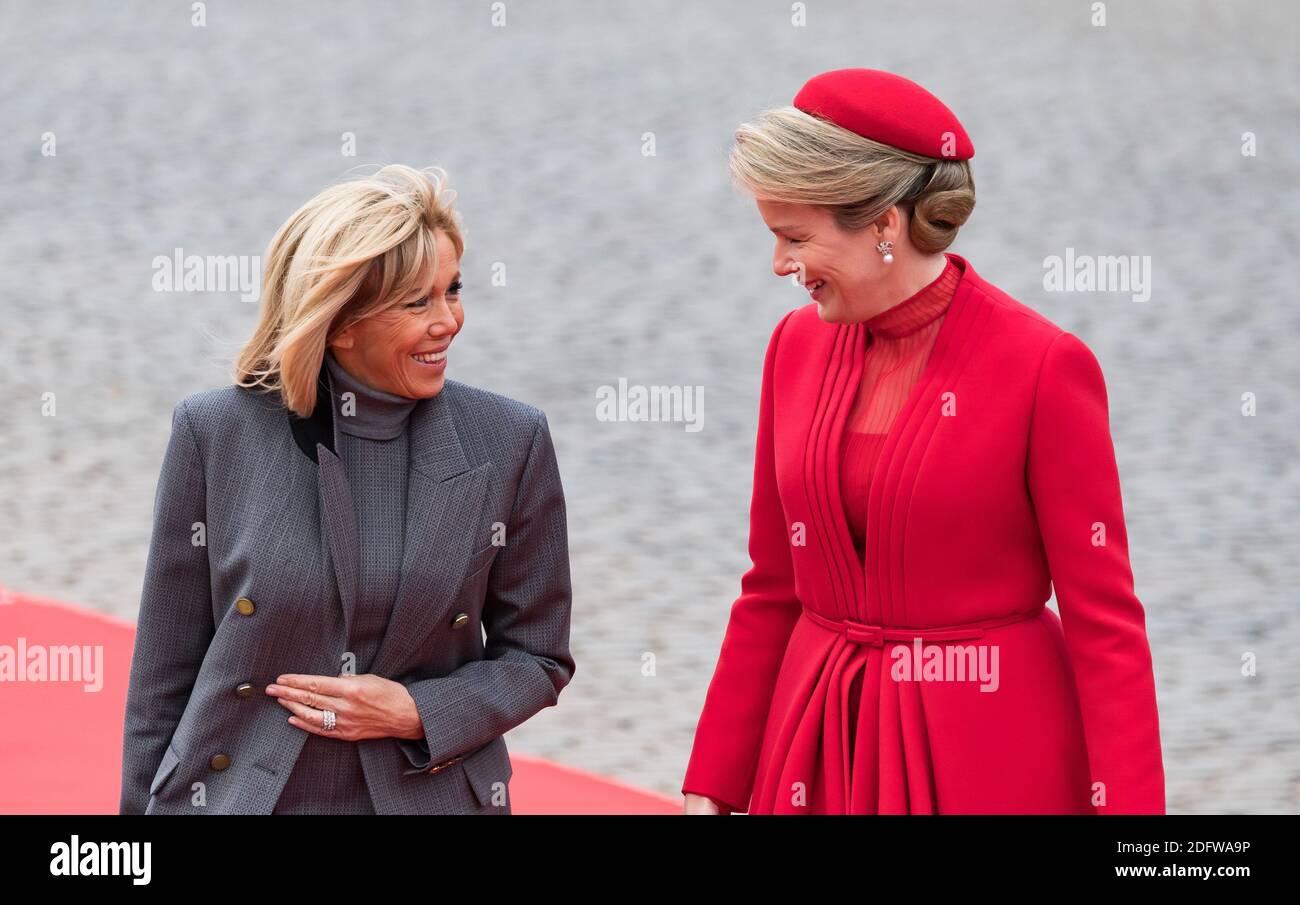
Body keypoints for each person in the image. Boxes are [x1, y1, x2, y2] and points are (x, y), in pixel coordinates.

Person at [682, 69, 1165, 814]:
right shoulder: (793, 348)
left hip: (989, 756)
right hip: (814, 749)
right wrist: (713, 782)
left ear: (883, 226)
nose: (779, 265)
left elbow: (1106, 627)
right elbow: (772, 586)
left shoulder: (1044, 367)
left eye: (794, 238)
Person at [120, 164, 575, 814]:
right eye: (418, 302)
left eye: (453, 290)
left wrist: (418, 709)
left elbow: (539, 654)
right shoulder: (215, 432)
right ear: (339, 322)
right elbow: (161, 676)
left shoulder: (511, 440)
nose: (449, 320)